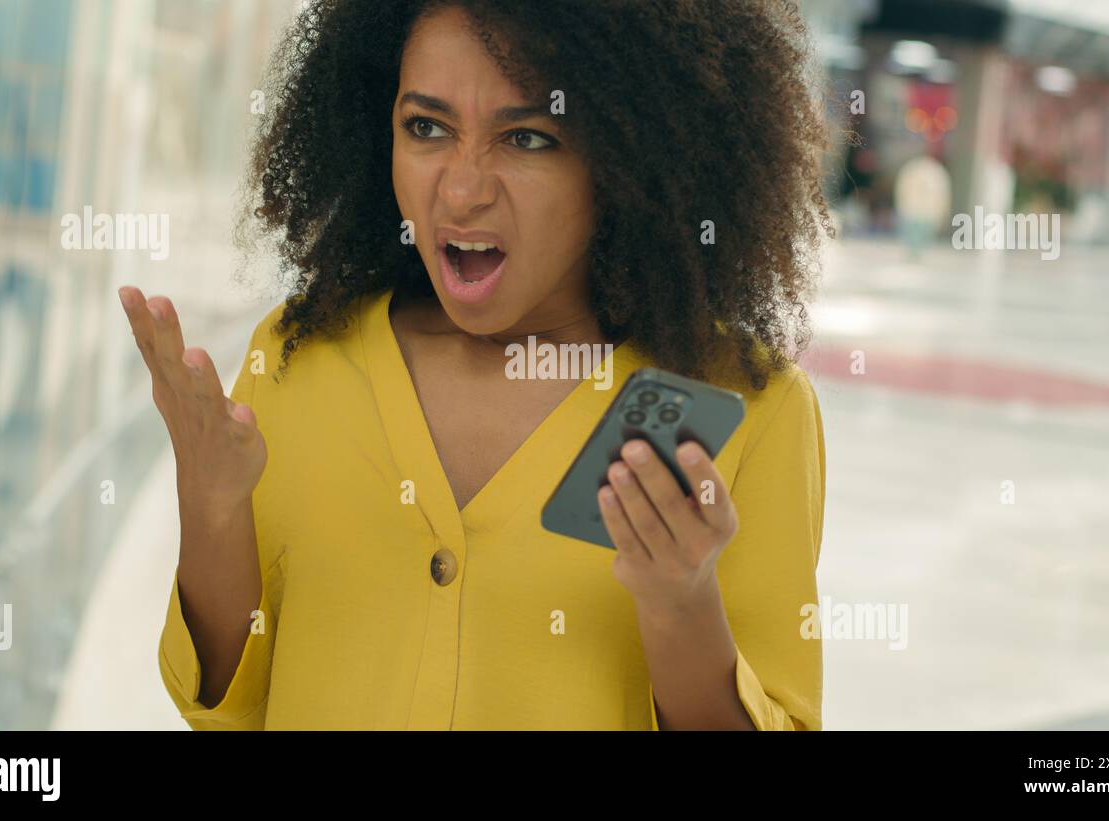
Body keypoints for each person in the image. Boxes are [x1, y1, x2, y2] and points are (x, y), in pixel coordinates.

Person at [120, 0, 829, 730]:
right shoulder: (299, 356)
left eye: (527, 138)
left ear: (630, 154)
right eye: (426, 127)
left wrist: (682, 605)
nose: (461, 191)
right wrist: (210, 507)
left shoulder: (749, 408)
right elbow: (229, 707)